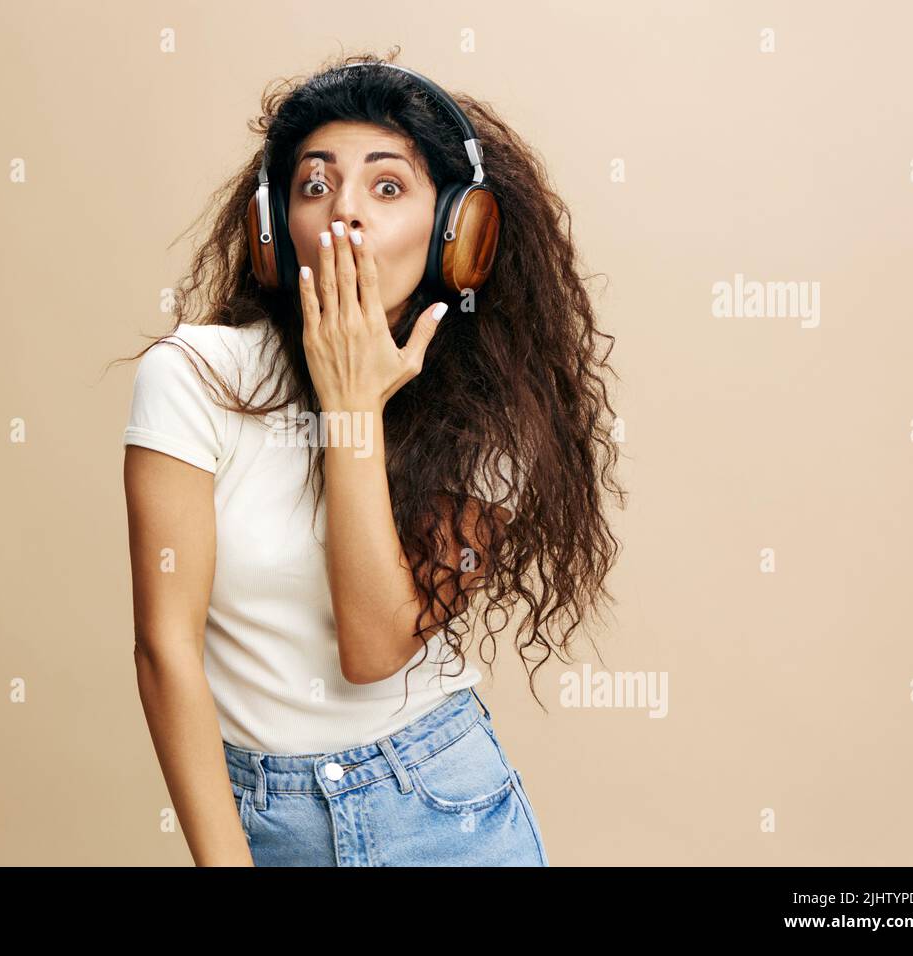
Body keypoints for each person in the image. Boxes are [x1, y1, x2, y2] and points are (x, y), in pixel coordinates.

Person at [120, 51, 625, 866]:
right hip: (265, 817)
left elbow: (374, 647)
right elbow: (163, 650)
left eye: (387, 187)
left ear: (459, 233)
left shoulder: (490, 413)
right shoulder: (193, 377)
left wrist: (352, 411)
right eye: (314, 186)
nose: (343, 212)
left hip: (443, 806)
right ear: (275, 230)